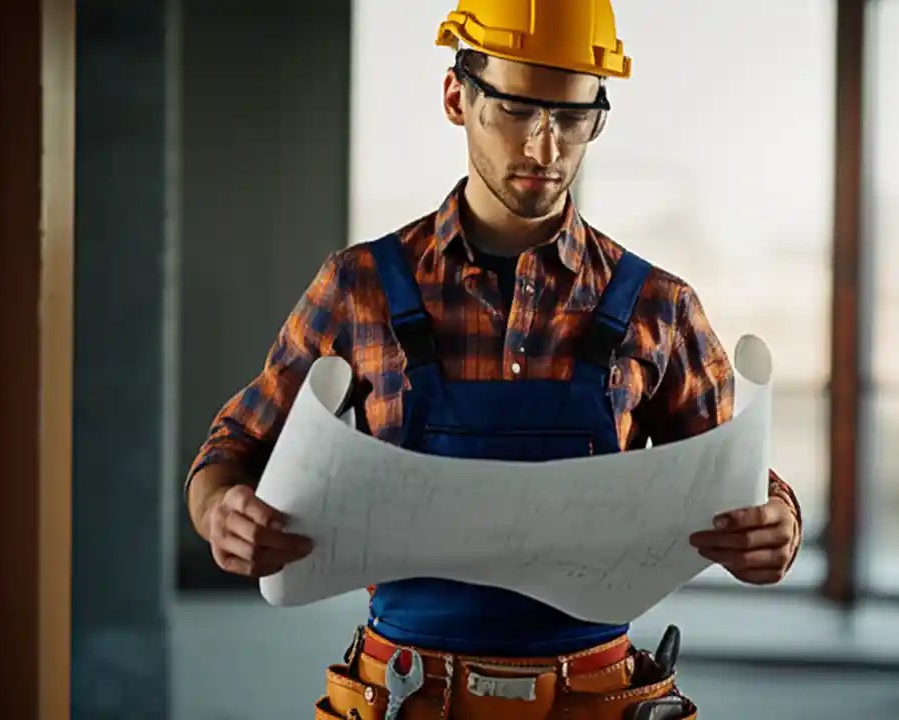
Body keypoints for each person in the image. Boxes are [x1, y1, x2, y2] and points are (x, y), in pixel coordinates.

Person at [185, 1, 803, 717]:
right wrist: (221, 511)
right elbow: (232, 449)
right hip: (408, 698)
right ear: (457, 97)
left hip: (595, 701)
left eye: (573, 118)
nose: (545, 147)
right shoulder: (359, 288)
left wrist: (777, 523)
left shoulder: (658, 307)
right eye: (516, 109)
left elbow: (740, 478)